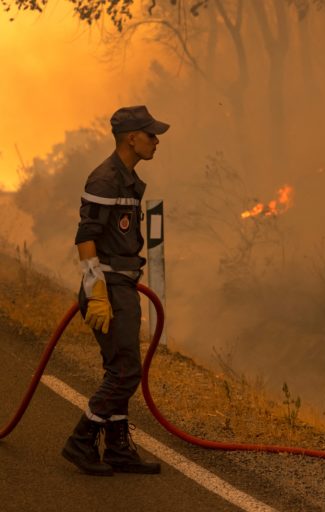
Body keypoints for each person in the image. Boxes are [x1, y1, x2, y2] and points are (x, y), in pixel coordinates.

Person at [61, 105, 169, 476]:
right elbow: (86, 239)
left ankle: (118, 448)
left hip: (122, 284)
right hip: (108, 288)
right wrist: (97, 293)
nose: (156, 141)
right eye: (151, 135)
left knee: (121, 367)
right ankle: (81, 439)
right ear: (131, 138)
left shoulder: (127, 180)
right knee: (124, 372)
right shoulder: (105, 180)